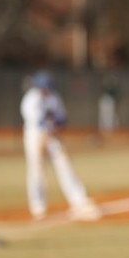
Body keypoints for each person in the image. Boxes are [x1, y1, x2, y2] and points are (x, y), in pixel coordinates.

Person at [20, 71, 101, 222]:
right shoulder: (30, 100)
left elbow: (62, 119)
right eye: (43, 87)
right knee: (37, 169)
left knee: (64, 163)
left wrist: (54, 134)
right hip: (34, 136)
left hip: (51, 135)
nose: (46, 89)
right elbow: (39, 124)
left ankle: (78, 199)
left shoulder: (53, 97)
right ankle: (38, 206)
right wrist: (42, 144)